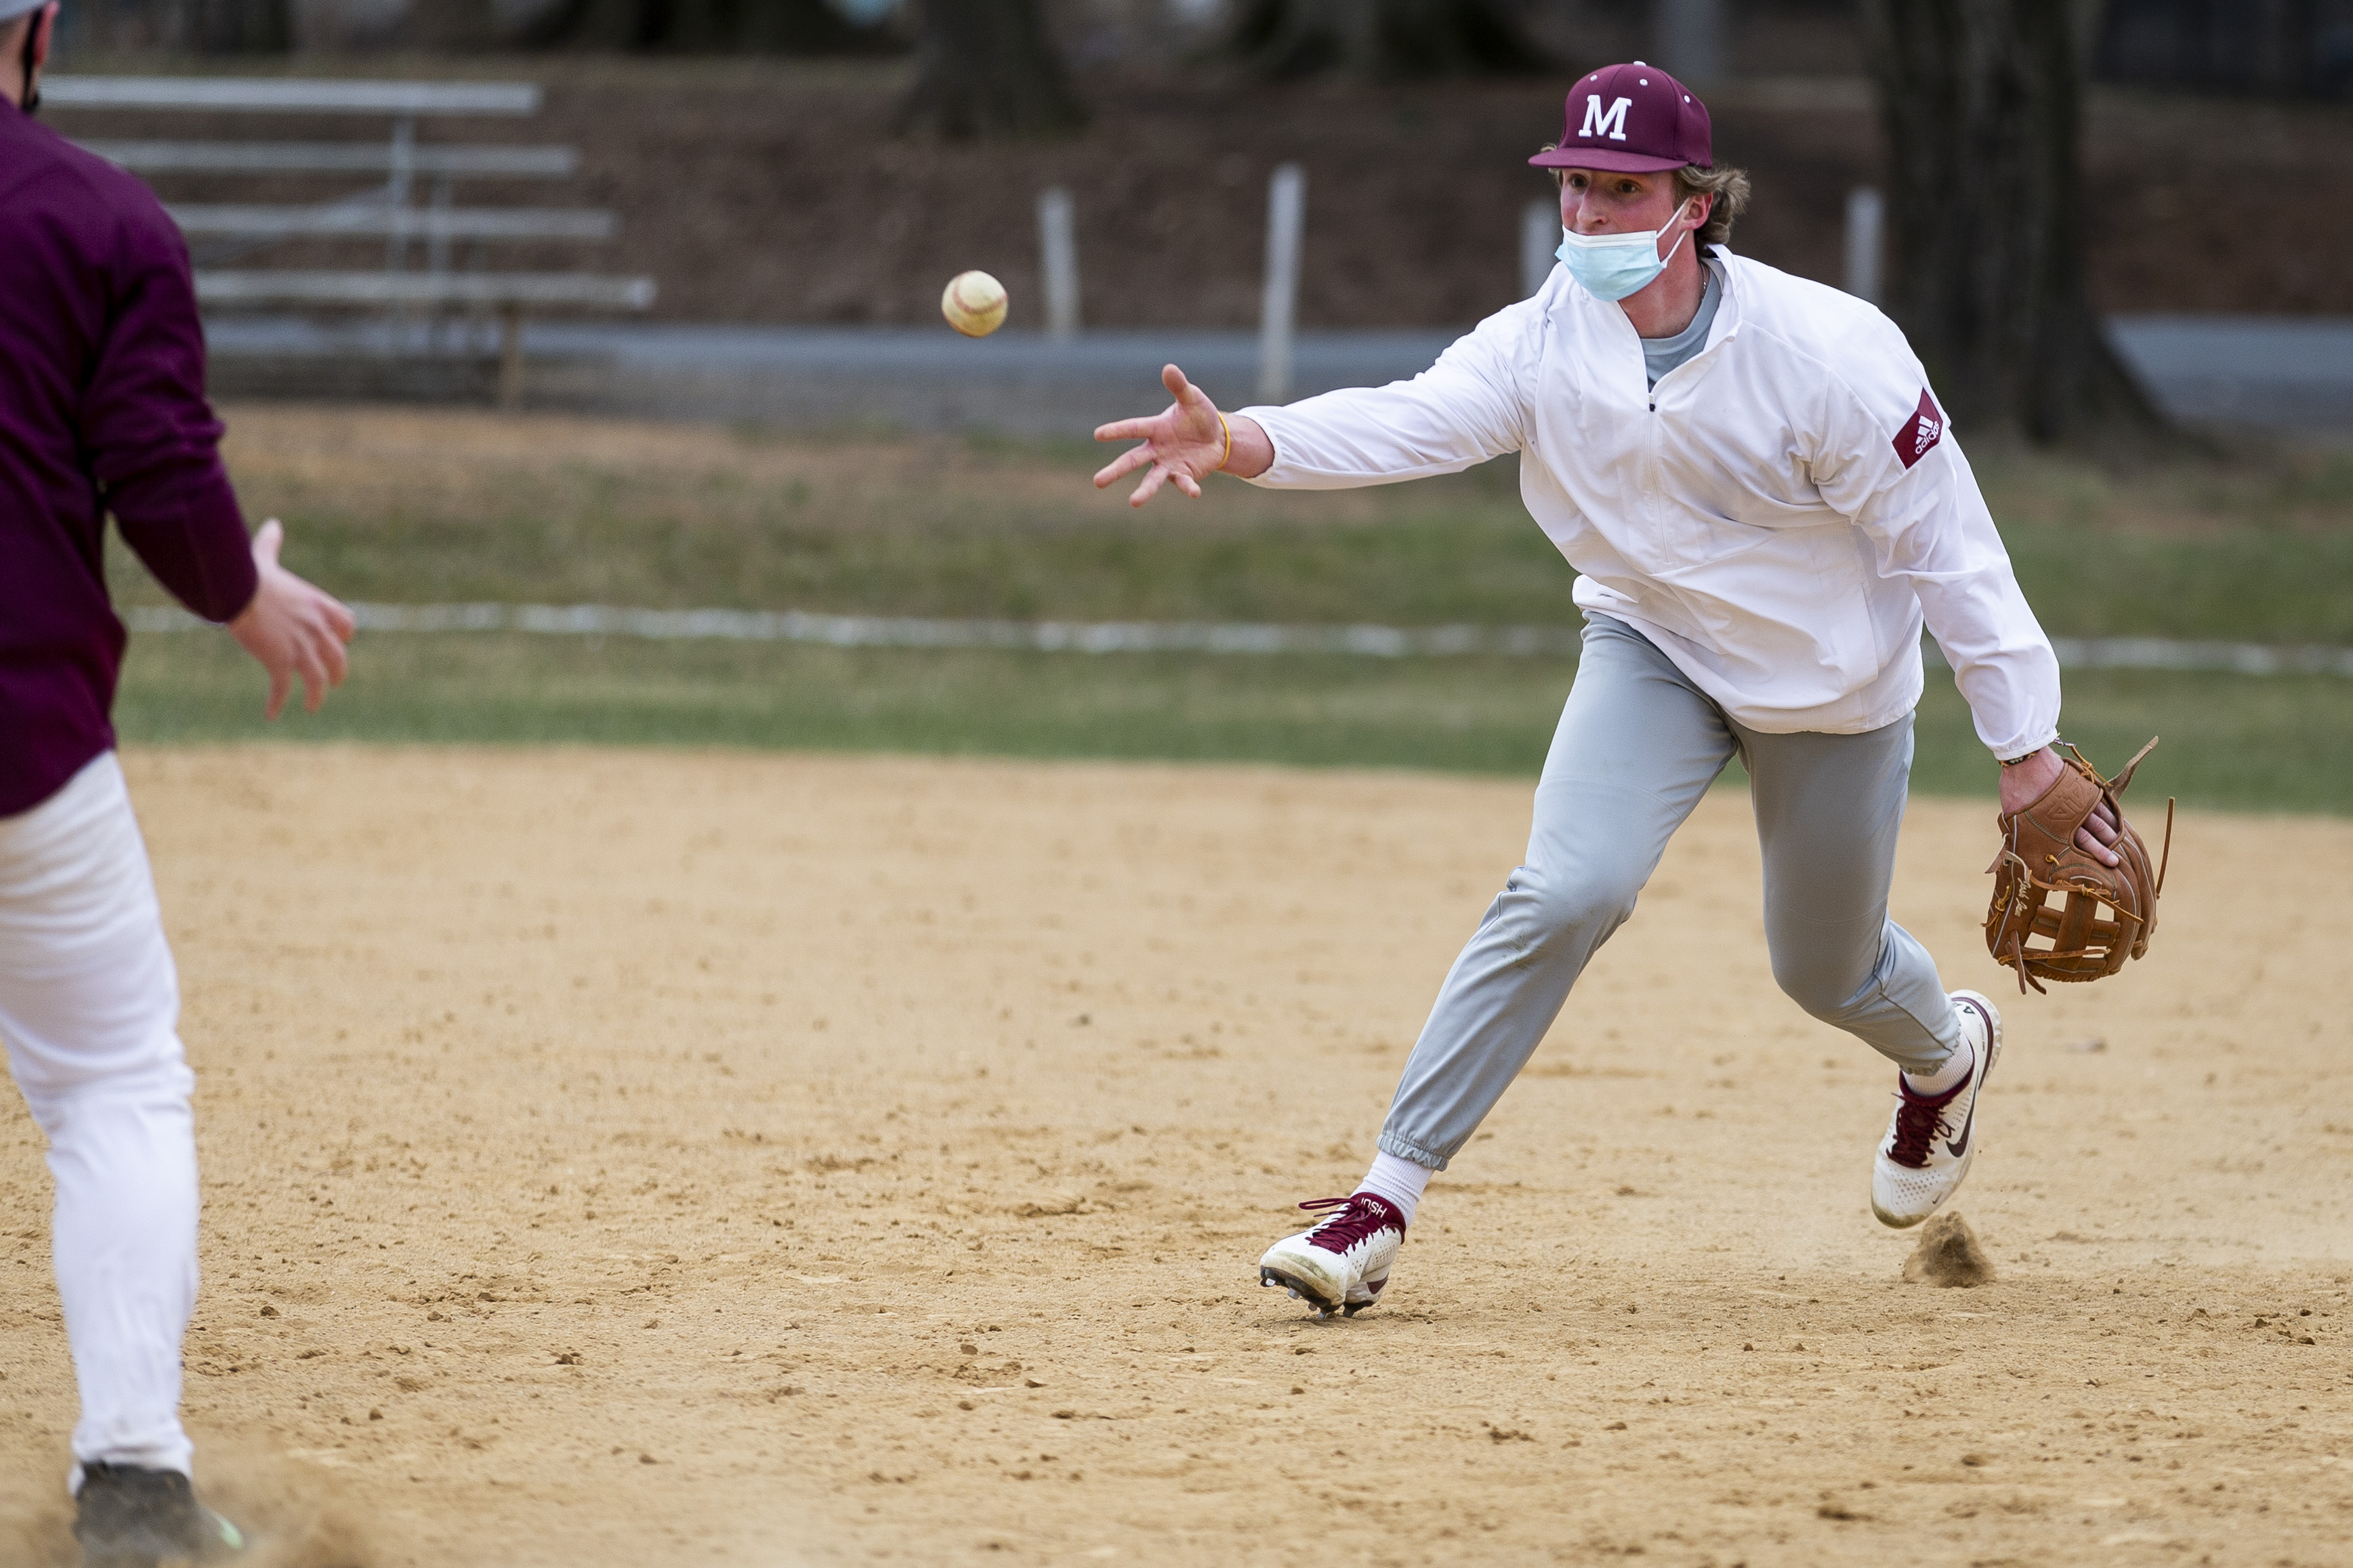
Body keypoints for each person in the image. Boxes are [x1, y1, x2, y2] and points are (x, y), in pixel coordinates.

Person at [1092, 61, 2123, 1319]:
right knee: (1565, 887)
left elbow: (1947, 548)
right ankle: (1380, 1202)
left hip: (1829, 688)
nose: (1585, 217)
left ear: (1694, 202)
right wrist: (1245, 441)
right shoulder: (1545, 337)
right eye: (1574, 185)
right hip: (1650, 646)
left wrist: (2024, 740)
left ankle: (1946, 1056)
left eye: (1619, 191)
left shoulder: (1830, 356)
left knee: (1824, 970)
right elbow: (1412, 419)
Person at [0, 3, 356, 1556]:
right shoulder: (98, 217)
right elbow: (153, 463)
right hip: (18, 736)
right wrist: (241, 597)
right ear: (40, 27)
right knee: (111, 1085)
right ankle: (133, 1483)